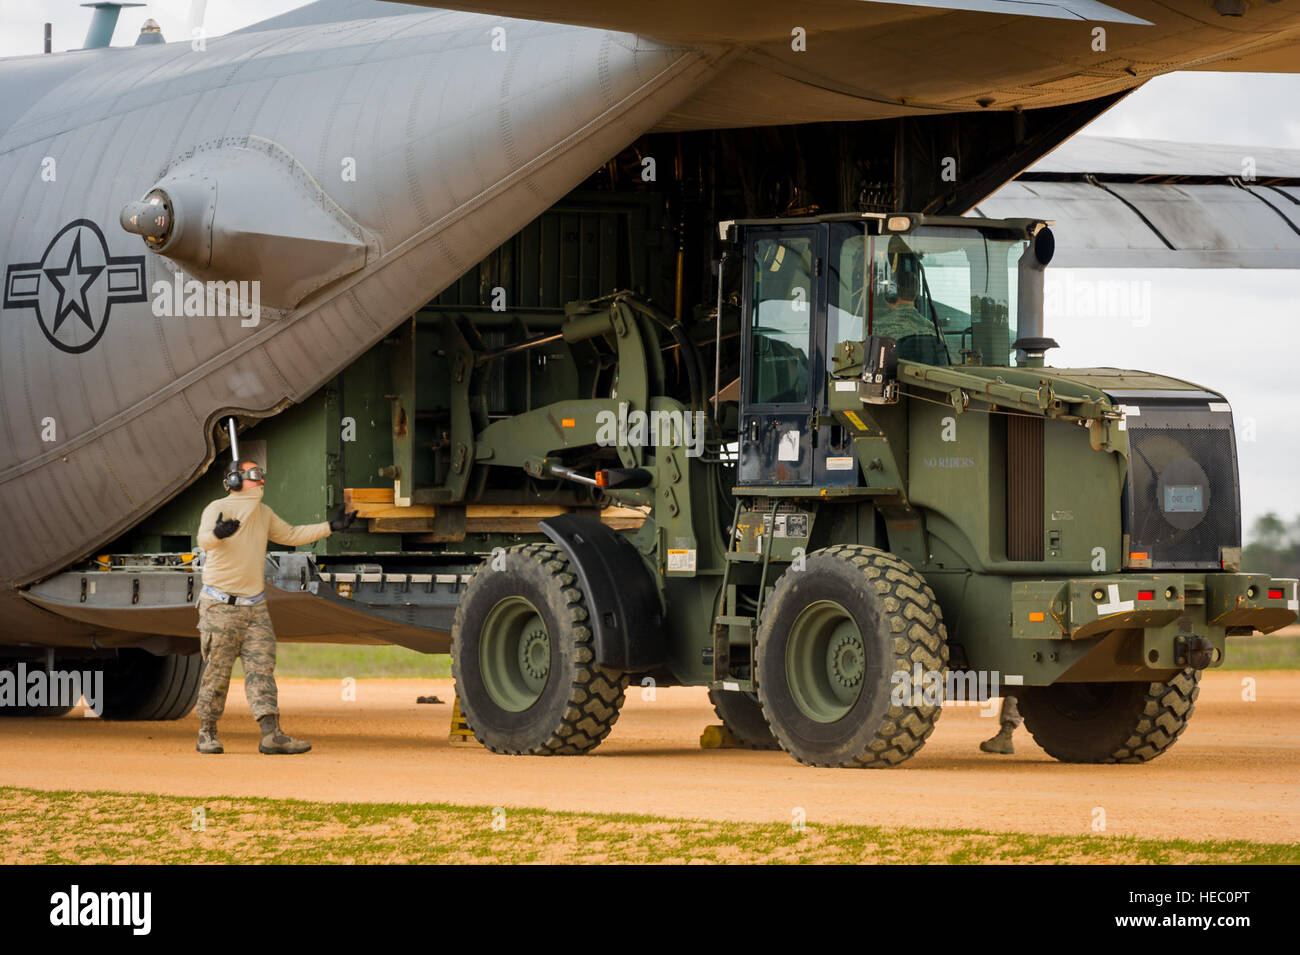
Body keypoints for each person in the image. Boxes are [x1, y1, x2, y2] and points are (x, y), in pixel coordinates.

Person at [193, 459, 356, 755]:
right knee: (217, 673)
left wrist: (331, 527)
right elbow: (204, 541)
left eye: (261, 474)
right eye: (254, 475)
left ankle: (271, 734)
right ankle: (207, 732)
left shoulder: (262, 513)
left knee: (262, 670)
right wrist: (219, 533)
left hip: (255, 607)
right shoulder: (218, 508)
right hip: (220, 606)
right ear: (233, 480)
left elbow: (291, 535)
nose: (261, 480)